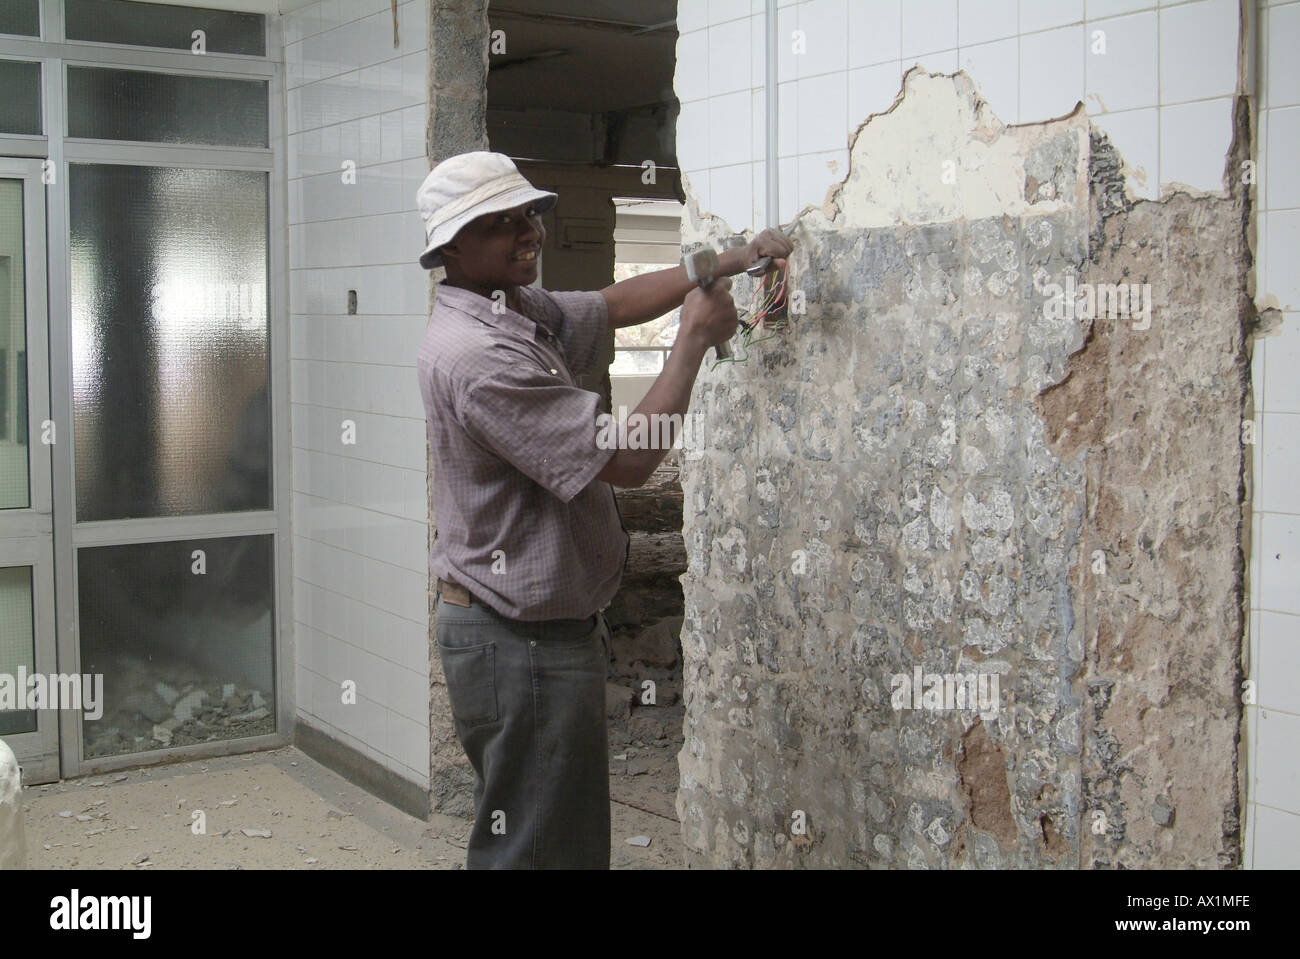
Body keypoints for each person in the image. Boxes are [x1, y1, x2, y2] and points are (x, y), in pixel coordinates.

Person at [415, 151, 793, 869]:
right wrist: (691, 342)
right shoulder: (479, 356)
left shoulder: (510, 305)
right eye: (499, 224)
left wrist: (724, 263)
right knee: (535, 847)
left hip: (528, 629)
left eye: (528, 213)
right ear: (451, 250)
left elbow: (613, 304)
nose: (527, 232)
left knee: (554, 837)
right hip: (515, 640)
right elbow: (626, 460)